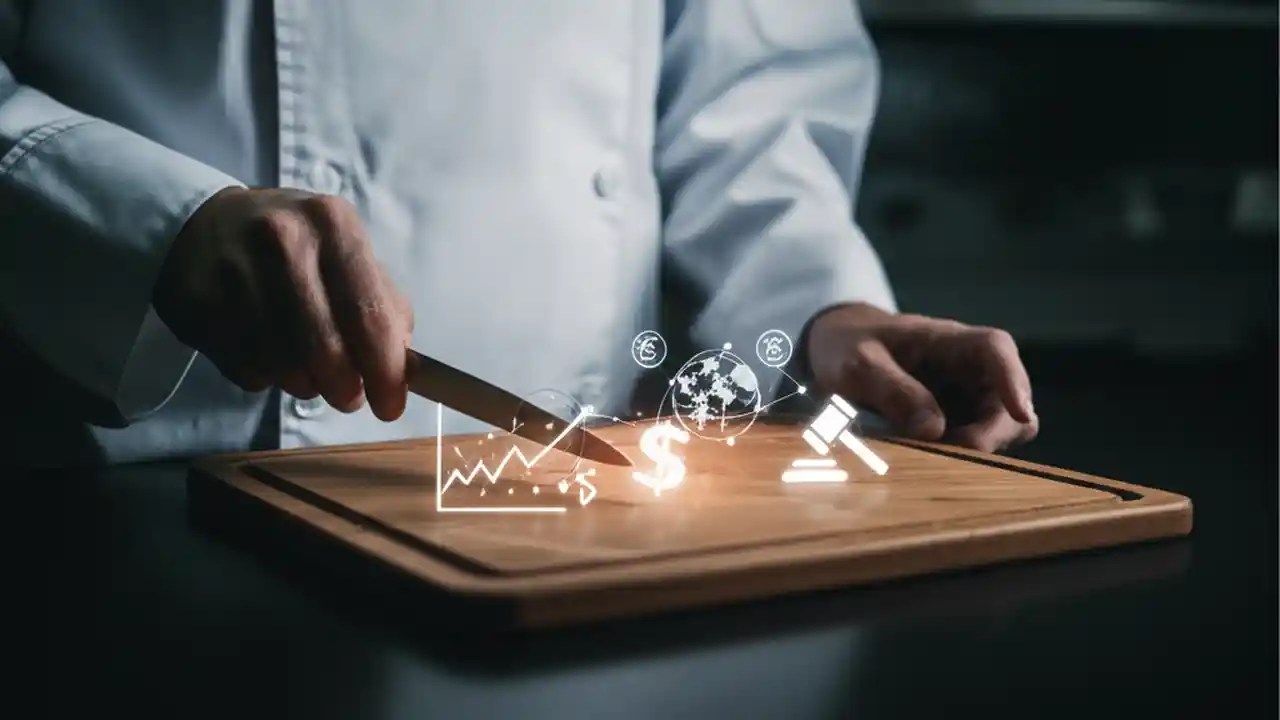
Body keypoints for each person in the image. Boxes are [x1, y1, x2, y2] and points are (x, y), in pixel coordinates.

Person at [0, 1, 1037, 467]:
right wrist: (143, 223)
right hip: (125, 479)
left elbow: (748, 91)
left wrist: (822, 307)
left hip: (565, 506)